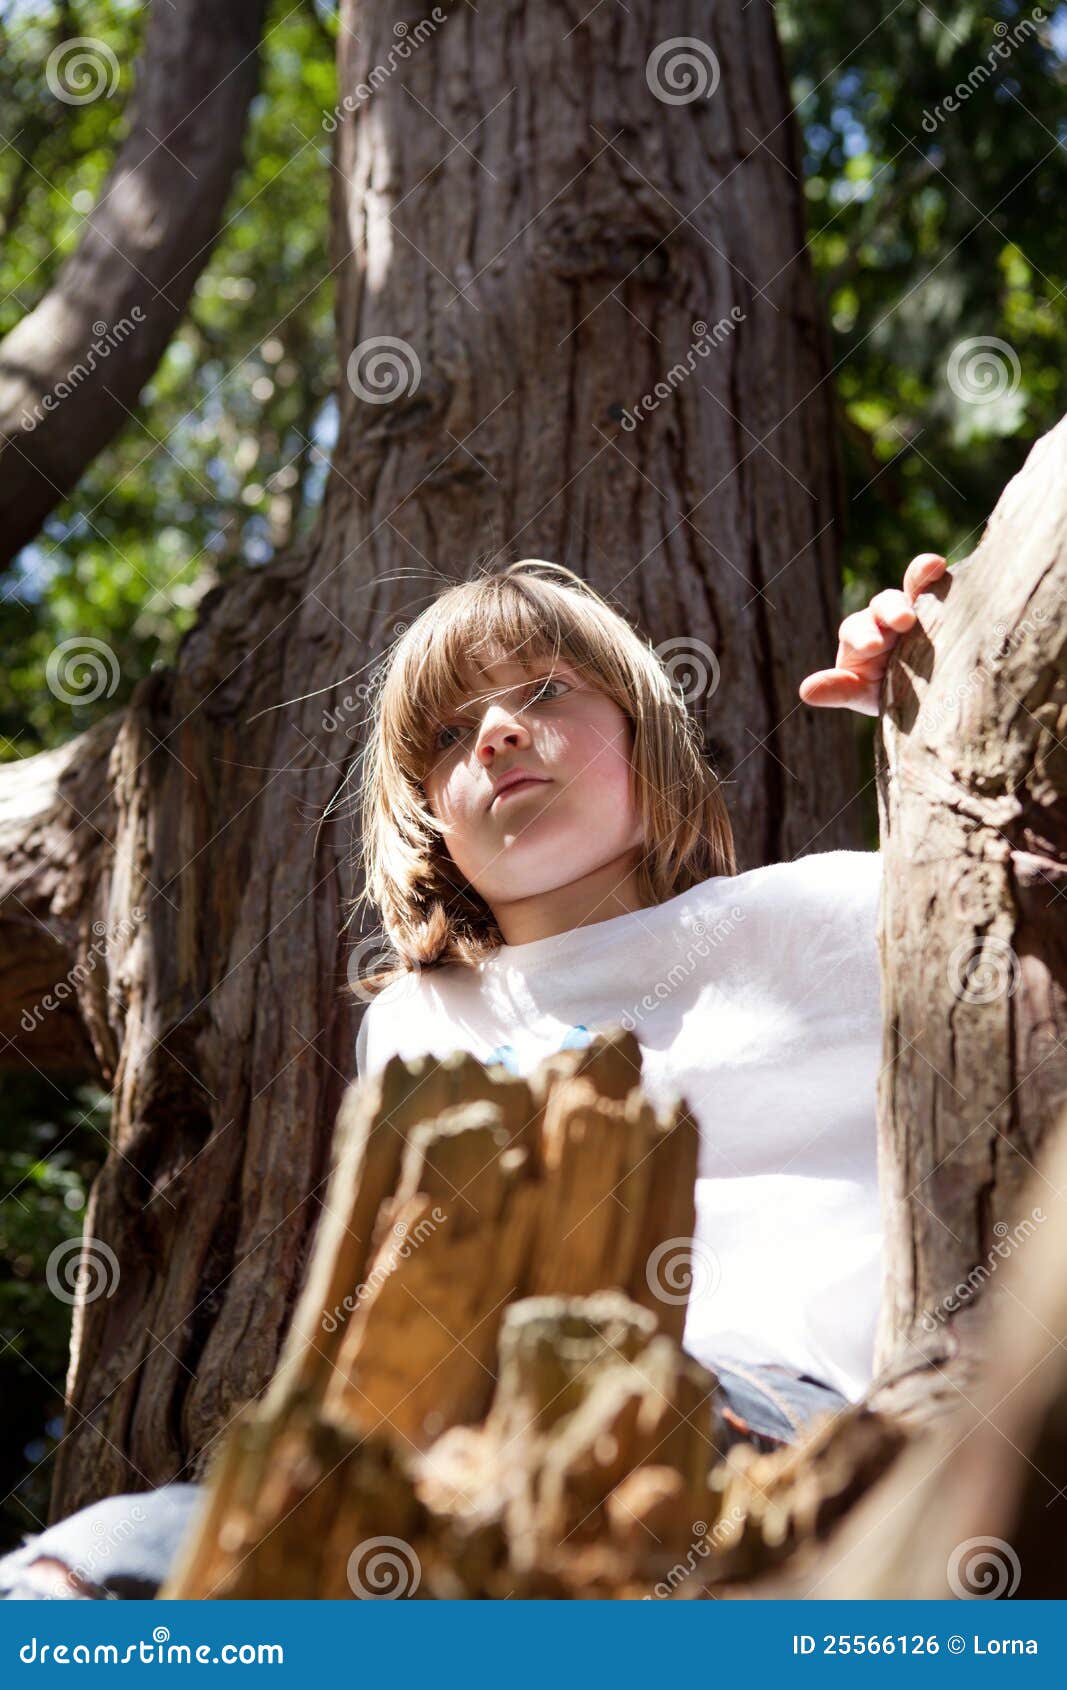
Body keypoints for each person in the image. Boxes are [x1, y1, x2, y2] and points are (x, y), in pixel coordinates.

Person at [0, 550, 946, 1597]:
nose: (495, 732)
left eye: (544, 692)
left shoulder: (831, 906)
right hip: (447, 1447)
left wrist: (939, 716)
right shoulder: (414, 1025)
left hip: (782, 1423)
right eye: (449, 735)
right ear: (431, 818)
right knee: (98, 1564)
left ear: (644, 733)